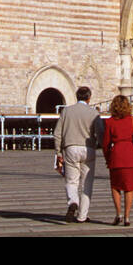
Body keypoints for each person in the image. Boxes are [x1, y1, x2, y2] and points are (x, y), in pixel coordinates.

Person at [53, 86, 103, 223]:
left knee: (71, 181)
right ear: (89, 98)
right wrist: (103, 147)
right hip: (88, 149)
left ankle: (73, 202)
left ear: (76, 97)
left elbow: (57, 133)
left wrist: (58, 152)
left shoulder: (66, 111)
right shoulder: (94, 113)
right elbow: (100, 133)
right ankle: (82, 216)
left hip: (70, 148)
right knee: (87, 183)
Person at [100, 94, 133, 226]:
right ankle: (127, 217)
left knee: (115, 187)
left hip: (117, 156)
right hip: (131, 156)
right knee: (129, 188)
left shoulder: (110, 122)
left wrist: (108, 158)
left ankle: (118, 214)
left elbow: (106, 143)